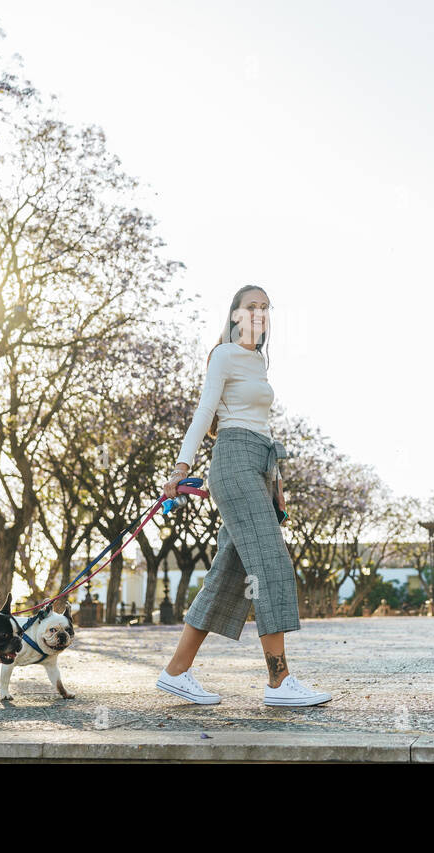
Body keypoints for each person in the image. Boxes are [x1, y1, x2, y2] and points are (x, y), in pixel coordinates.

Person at [155, 284, 331, 707]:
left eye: (265, 307)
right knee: (271, 565)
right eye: (250, 306)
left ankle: (175, 672)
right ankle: (279, 682)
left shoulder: (257, 361)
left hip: (259, 465)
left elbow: (263, 427)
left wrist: (277, 483)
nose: (259, 312)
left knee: (229, 575)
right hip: (232, 462)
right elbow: (205, 410)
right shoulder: (223, 355)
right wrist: (181, 468)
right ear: (234, 314)